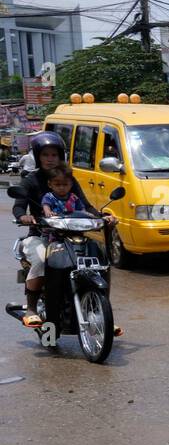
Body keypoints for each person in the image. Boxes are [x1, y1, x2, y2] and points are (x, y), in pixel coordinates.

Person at [12, 130, 115, 328]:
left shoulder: (69, 178)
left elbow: (85, 206)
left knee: (99, 259)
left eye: (54, 155)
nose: (50, 159)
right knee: (42, 260)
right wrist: (23, 216)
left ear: (60, 156)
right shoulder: (30, 181)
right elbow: (18, 205)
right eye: (45, 155)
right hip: (41, 235)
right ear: (37, 156)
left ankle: (100, 313)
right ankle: (32, 308)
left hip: (72, 236)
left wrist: (103, 217)